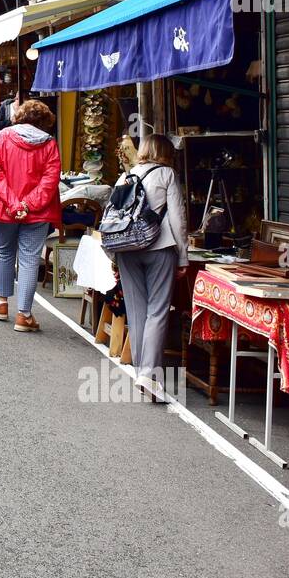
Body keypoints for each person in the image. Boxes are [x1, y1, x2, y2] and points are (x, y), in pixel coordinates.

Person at [113, 133, 188, 399]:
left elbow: (114, 216)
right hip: (159, 248)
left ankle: (141, 372)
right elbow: (178, 220)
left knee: (137, 310)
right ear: (166, 153)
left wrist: (113, 257)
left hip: (126, 249)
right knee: (157, 311)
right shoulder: (167, 174)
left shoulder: (126, 176)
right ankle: (148, 374)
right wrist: (183, 257)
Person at [0, 99, 62, 332]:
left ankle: (1, 303)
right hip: (37, 212)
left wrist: (13, 202)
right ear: (44, 121)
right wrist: (28, 204)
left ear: (19, 116)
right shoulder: (49, 144)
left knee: (5, 252)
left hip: (6, 208)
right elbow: (50, 181)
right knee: (29, 259)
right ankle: (24, 315)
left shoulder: (1, 136)